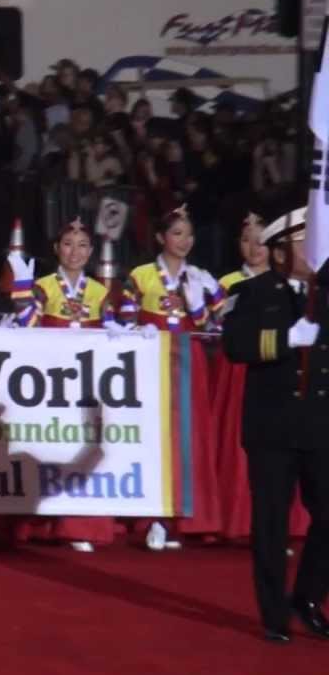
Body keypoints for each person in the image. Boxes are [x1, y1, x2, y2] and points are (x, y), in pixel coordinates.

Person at [221, 205, 329, 643]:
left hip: (321, 425)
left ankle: (305, 597)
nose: (319, 250)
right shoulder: (253, 292)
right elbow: (235, 345)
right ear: (281, 250)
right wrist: (286, 340)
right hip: (272, 428)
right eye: (309, 243)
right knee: (271, 525)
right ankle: (272, 613)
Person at [8, 217, 122, 552]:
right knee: (51, 449)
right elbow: (26, 323)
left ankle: (80, 525)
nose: (75, 252)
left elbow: (116, 329)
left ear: (91, 252)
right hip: (50, 384)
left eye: (83, 245)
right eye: (68, 244)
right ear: (57, 249)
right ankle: (41, 524)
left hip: (87, 383)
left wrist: (127, 334)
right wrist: (22, 288)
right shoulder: (44, 286)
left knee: (82, 449)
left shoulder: (101, 291)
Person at [120, 205, 226, 550]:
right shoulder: (141, 275)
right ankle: (153, 516)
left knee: (187, 436)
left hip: (189, 360)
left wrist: (199, 305)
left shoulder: (201, 277)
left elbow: (218, 325)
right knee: (153, 435)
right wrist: (138, 328)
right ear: (160, 238)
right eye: (177, 233)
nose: (184, 241)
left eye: (188, 234)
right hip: (152, 360)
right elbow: (121, 319)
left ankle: (183, 518)